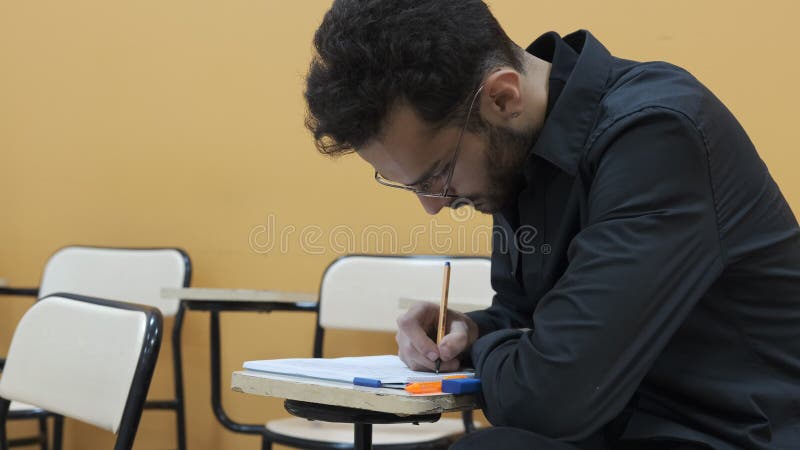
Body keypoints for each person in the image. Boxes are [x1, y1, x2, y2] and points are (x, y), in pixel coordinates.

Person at [303, 1, 800, 449]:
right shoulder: (514, 155)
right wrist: (470, 331)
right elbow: (528, 321)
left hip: (734, 432)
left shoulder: (659, 135)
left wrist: (500, 349)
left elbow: (551, 395)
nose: (432, 207)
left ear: (501, 98)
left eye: (437, 175)